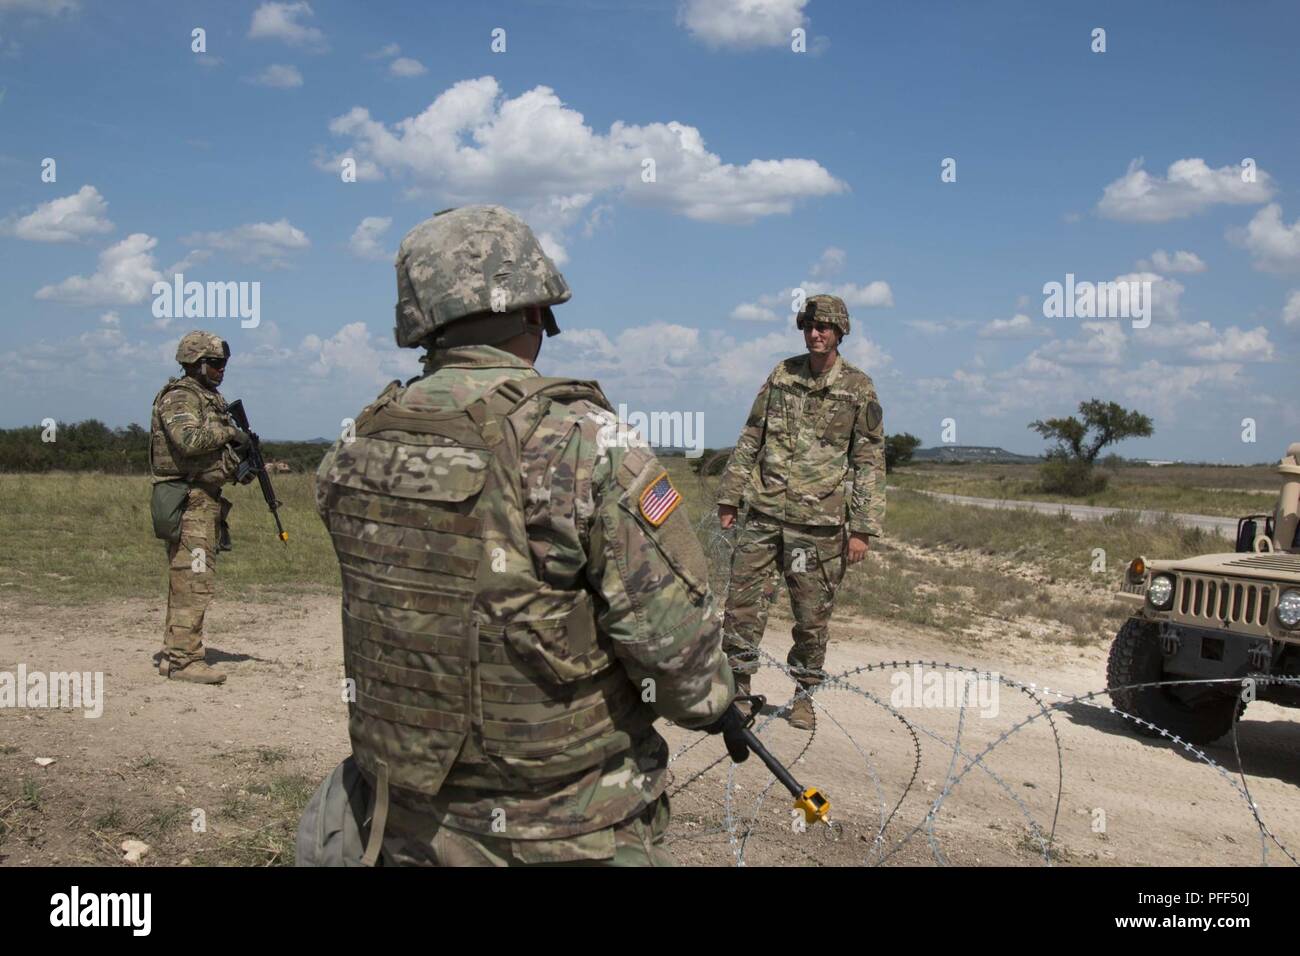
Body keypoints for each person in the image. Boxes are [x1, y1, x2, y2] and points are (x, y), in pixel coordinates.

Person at [305, 205, 736, 866]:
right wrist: (718, 707)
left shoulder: (358, 441)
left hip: (395, 823)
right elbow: (680, 660)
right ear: (535, 312)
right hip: (561, 833)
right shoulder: (586, 443)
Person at [715, 294, 885, 729]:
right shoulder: (781, 374)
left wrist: (863, 527)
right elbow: (752, 434)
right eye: (809, 326)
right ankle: (739, 691)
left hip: (818, 527)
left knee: (811, 615)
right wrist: (730, 495)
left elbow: (868, 461)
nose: (816, 333)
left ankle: (804, 694)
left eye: (824, 327)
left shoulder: (858, 388)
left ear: (840, 332)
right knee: (742, 606)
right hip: (765, 514)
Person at [149, 330, 250, 685]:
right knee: (193, 579)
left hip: (201, 499)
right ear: (196, 363)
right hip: (187, 499)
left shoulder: (208, 397)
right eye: (216, 363)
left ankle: (173, 654)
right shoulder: (180, 397)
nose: (222, 369)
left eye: (224, 363)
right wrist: (229, 432)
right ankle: (184, 660)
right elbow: (189, 440)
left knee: (186, 579)